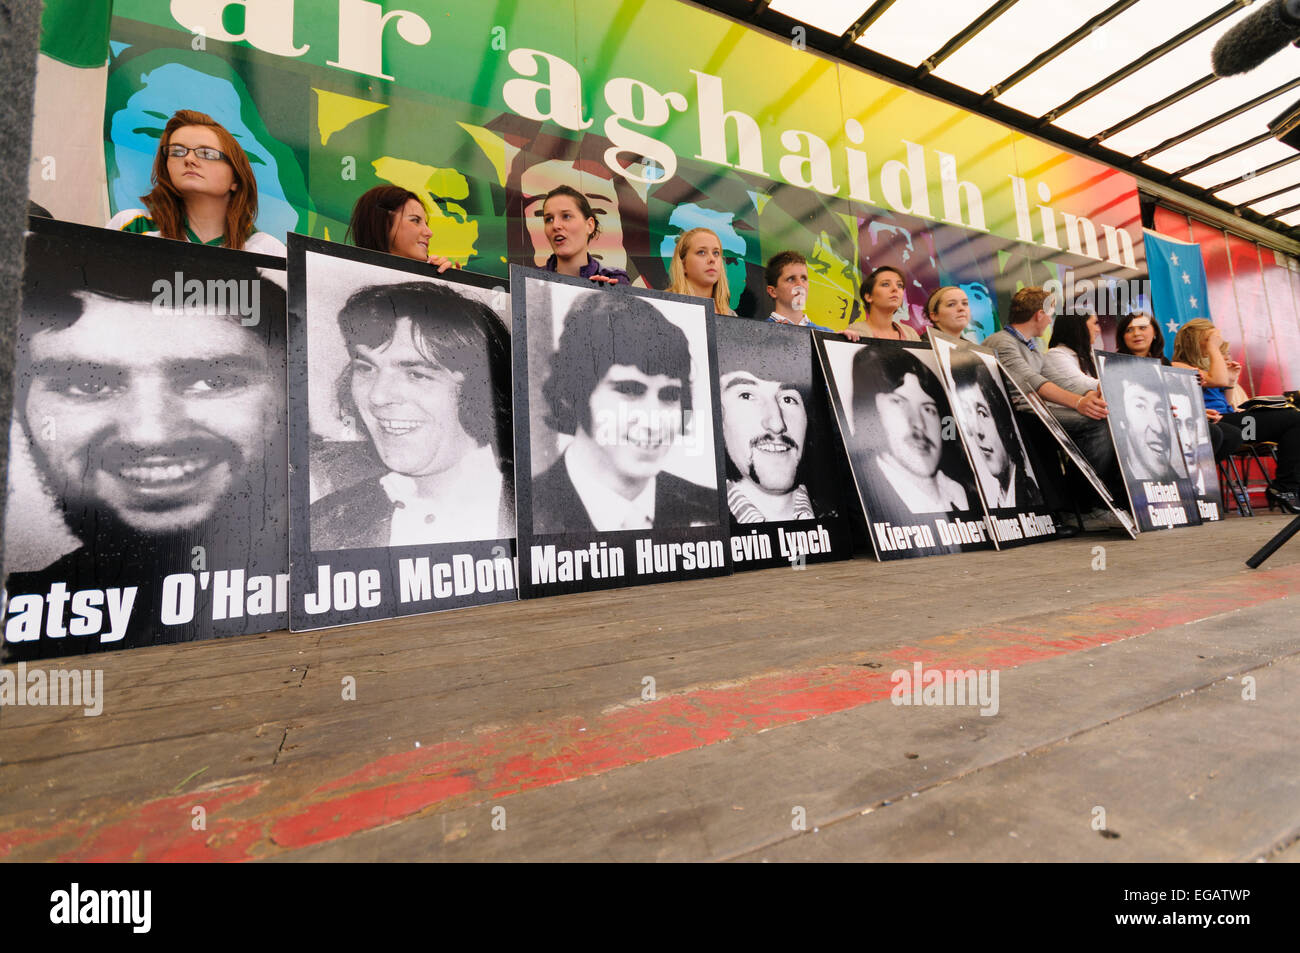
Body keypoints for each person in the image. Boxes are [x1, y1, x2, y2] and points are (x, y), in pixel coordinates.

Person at [5, 243, 288, 655]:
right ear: (21, 407)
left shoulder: (355, 579)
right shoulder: (20, 627)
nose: (149, 435)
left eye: (212, 381)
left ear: (292, 394)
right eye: (87, 385)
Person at [310, 281, 514, 549]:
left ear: (479, 388)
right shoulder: (324, 523)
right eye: (366, 368)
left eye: (416, 374)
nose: (378, 396)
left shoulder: (553, 504)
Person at [533, 292, 717, 533]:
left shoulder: (713, 511)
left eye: (670, 395)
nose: (654, 420)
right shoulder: (527, 513)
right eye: (629, 390)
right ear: (573, 394)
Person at [985, 286, 1123, 526]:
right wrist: (1079, 403)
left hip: (1038, 413)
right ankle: (1077, 504)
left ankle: (1089, 502)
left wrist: (1103, 390)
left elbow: (1064, 382)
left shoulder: (1033, 348)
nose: (1050, 320)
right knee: (1094, 424)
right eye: (1050, 314)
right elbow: (1031, 382)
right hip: (1015, 418)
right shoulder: (1002, 341)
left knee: (1102, 415)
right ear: (1040, 314)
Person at [107, 109, 286, 256]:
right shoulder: (132, 226)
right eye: (177, 152)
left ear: (236, 179)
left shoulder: (268, 250)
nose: (189, 159)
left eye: (207, 154)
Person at [1173, 318, 1300, 513]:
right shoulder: (1178, 366)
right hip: (1213, 423)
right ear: (1195, 341)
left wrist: (1231, 382)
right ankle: (1286, 487)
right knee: (1293, 419)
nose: (1216, 343)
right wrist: (1216, 353)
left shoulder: (1209, 368)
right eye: (1210, 339)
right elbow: (1218, 379)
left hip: (1230, 419)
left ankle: (1287, 486)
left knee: (1293, 419)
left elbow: (1227, 403)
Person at [849, 345, 973, 516]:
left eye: (929, 409)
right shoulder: (859, 498)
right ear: (869, 413)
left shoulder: (965, 494)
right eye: (898, 402)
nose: (919, 424)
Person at [719, 347, 821, 523]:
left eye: (788, 399)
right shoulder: (696, 523)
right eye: (746, 395)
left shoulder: (843, 520)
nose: (777, 424)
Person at [947, 349, 1043, 509]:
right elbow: (947, 431)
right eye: (967, 413)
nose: (977, 431)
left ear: (1002, 417)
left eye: (982, 412)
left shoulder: (1030, 495)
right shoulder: (1000, 500)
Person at [347, 185, 459, 272]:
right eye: (415, 220)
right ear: (383, 224)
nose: (429, 233)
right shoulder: (344, 279)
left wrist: (450, 285)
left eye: (426, 224)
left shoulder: (435, 279)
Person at [1109, 357, 1183, 482]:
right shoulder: (1112, 484)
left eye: (1160, 411)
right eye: (1140, 406)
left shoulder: (1185, 489)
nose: (1158, 428)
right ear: (1120, 417)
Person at [538, 184, 629, 285]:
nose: (555, 225)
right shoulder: (530, 282)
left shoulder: (616, 280)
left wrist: (609, 298)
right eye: (549, 219)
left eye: (566, 216)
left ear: (590, 225)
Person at [667, 227, 736, 315]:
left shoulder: (731, 315)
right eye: (701, 252)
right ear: (683, 264)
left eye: (716, 253)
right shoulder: (664, 306)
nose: (712, 259)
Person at [843, 267, 921, 342]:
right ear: (869, 297)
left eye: (899, 285)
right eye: (885, 284)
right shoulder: (854, 332)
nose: (895, 289)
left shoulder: (911, 334)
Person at [764, 251, 833, 331]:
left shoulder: (827, 334)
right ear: (773, 292)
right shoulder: (759, 333)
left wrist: (848, 342)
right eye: (791, 279)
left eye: (803, 278)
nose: (800, 285)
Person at [1044, 310, 1101, 393]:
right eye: (1095, 323)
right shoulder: (1055, 355)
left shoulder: (1087, 356)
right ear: (1079, 326)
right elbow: (1083, 385)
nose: (1098, 330)